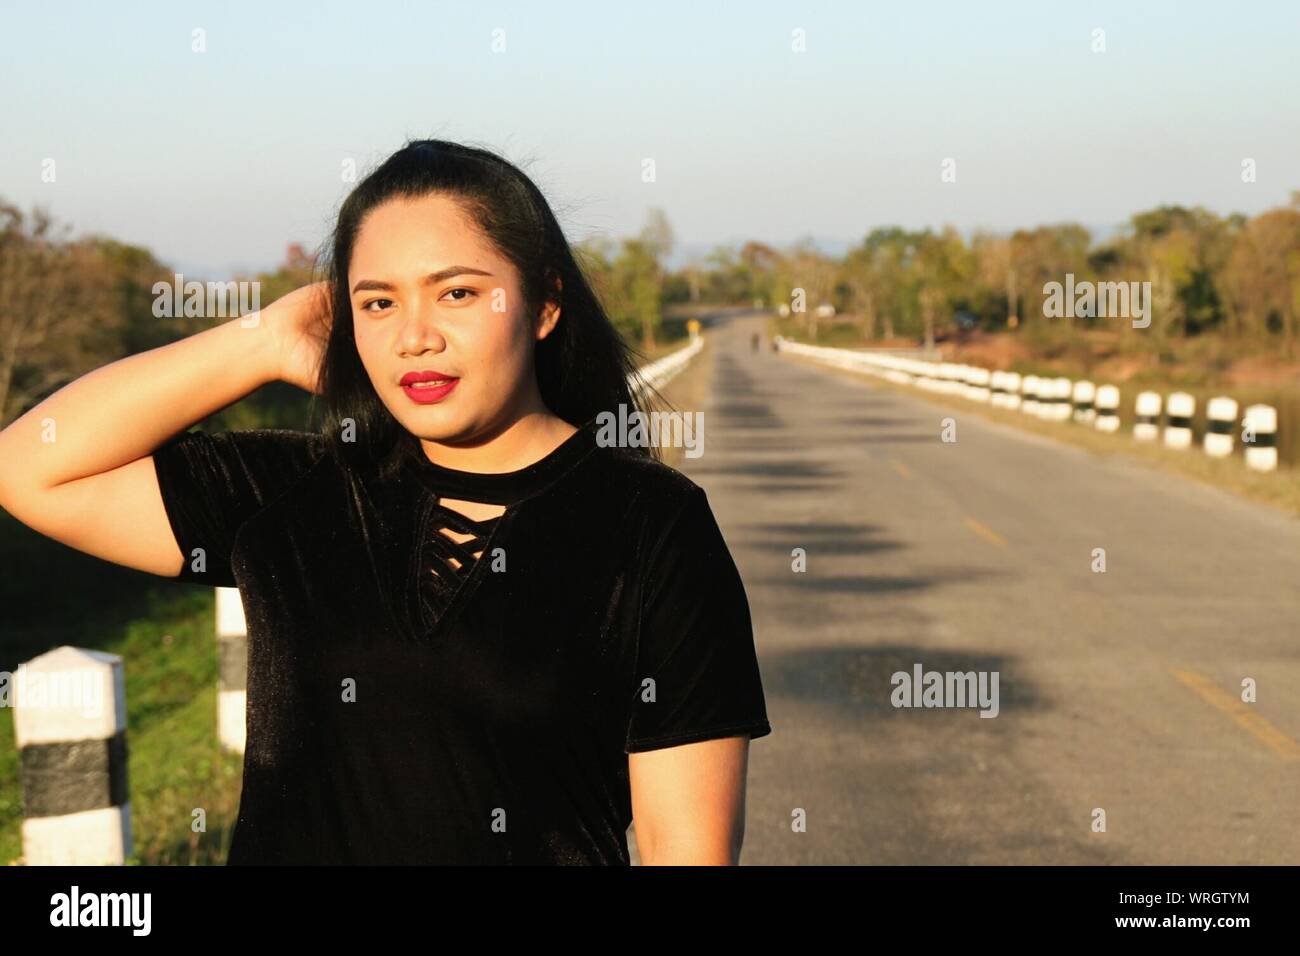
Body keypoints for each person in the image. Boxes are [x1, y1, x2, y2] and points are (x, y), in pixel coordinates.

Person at [0, 139, 771, 865]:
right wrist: (262, 342)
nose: (414, 337)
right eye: (377, 304)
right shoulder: (302, 494)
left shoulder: (650, 528)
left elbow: (686, 849)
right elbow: (31, 468)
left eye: (457, 293)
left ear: (544, 304)